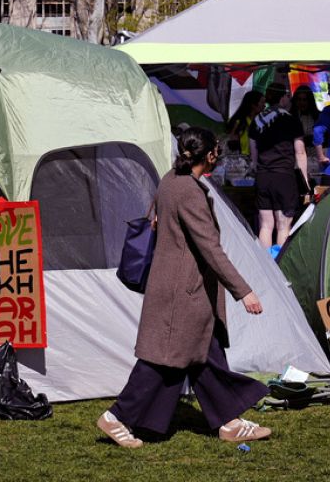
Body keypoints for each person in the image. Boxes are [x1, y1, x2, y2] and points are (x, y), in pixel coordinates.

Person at [97, 127, 270, 448]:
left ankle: (230, 423)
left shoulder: (170, 180)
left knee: (206, 356)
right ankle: (117, 416)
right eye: (216, 150)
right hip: (184, 293)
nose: (219, 155)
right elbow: (210, 248)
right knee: (161, 362)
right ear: (210, 155)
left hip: (184, 289)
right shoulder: (189, 191)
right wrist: (243, 291)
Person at [249, 84, 307, 248]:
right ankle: (280, 263)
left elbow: (253, 151)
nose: (289, 99)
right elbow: (300, 152)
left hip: (263, 176)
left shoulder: (257, 120)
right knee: (283, 225)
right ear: (282, 98)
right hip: (284, 177)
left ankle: (264, 263)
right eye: (288, 96)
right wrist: (305, 181)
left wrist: (257, 167)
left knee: (265, 226)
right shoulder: (291, 120)